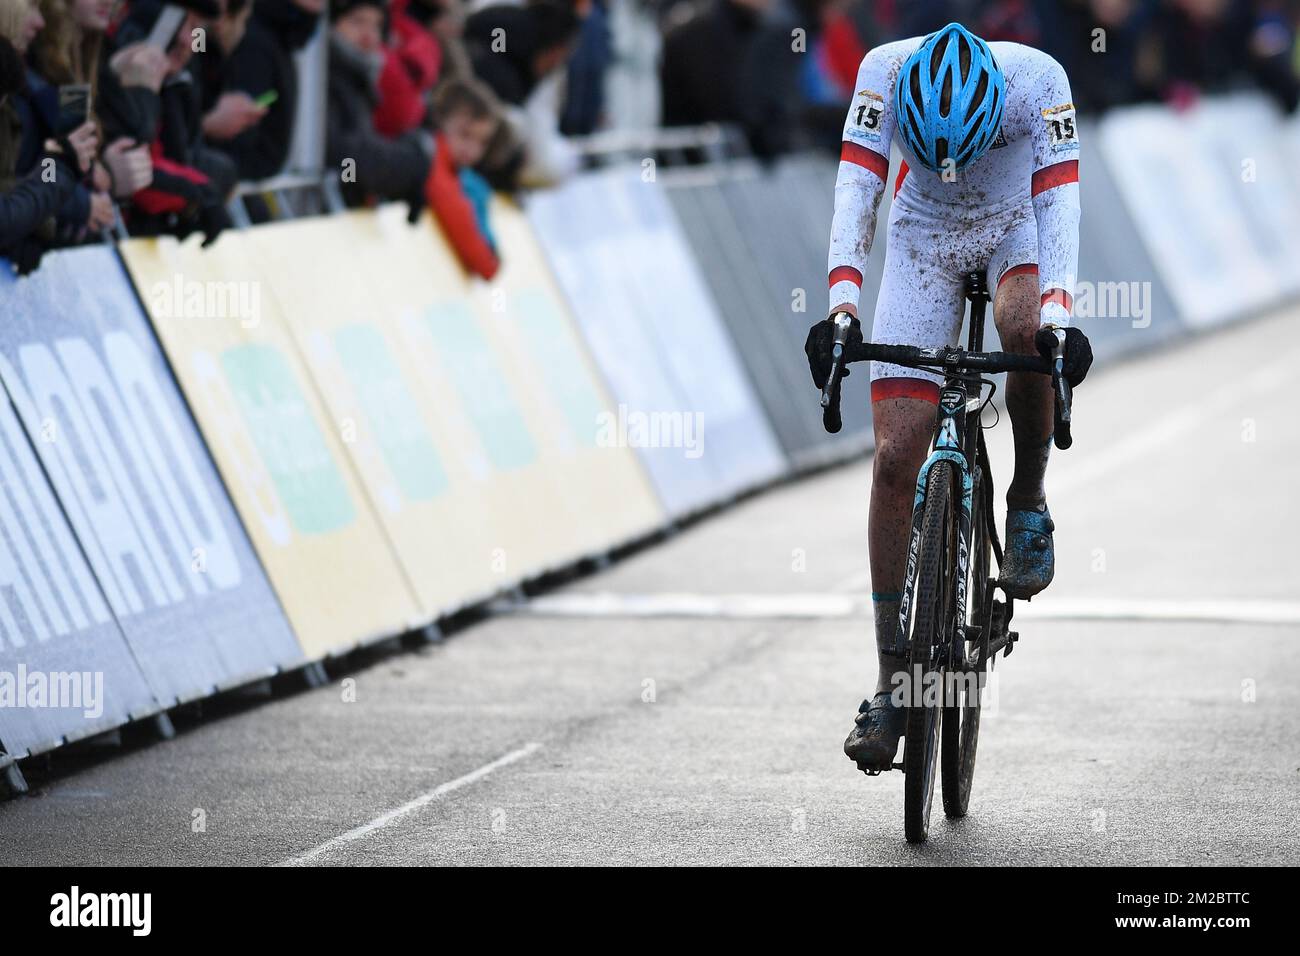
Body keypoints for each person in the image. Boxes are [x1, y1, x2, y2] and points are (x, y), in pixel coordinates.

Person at [803, 22, 1094, 769]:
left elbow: (1059, 205)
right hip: (921, 238)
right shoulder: (881, 72)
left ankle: (1026, 497)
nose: (956, 166)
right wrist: (841, 308)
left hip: (1014, 226)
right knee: (898, 457)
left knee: (1023, 331)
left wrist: (1059, 318)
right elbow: (857, 189)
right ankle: (893, 684)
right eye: (940, 156)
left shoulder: (1039, 80)